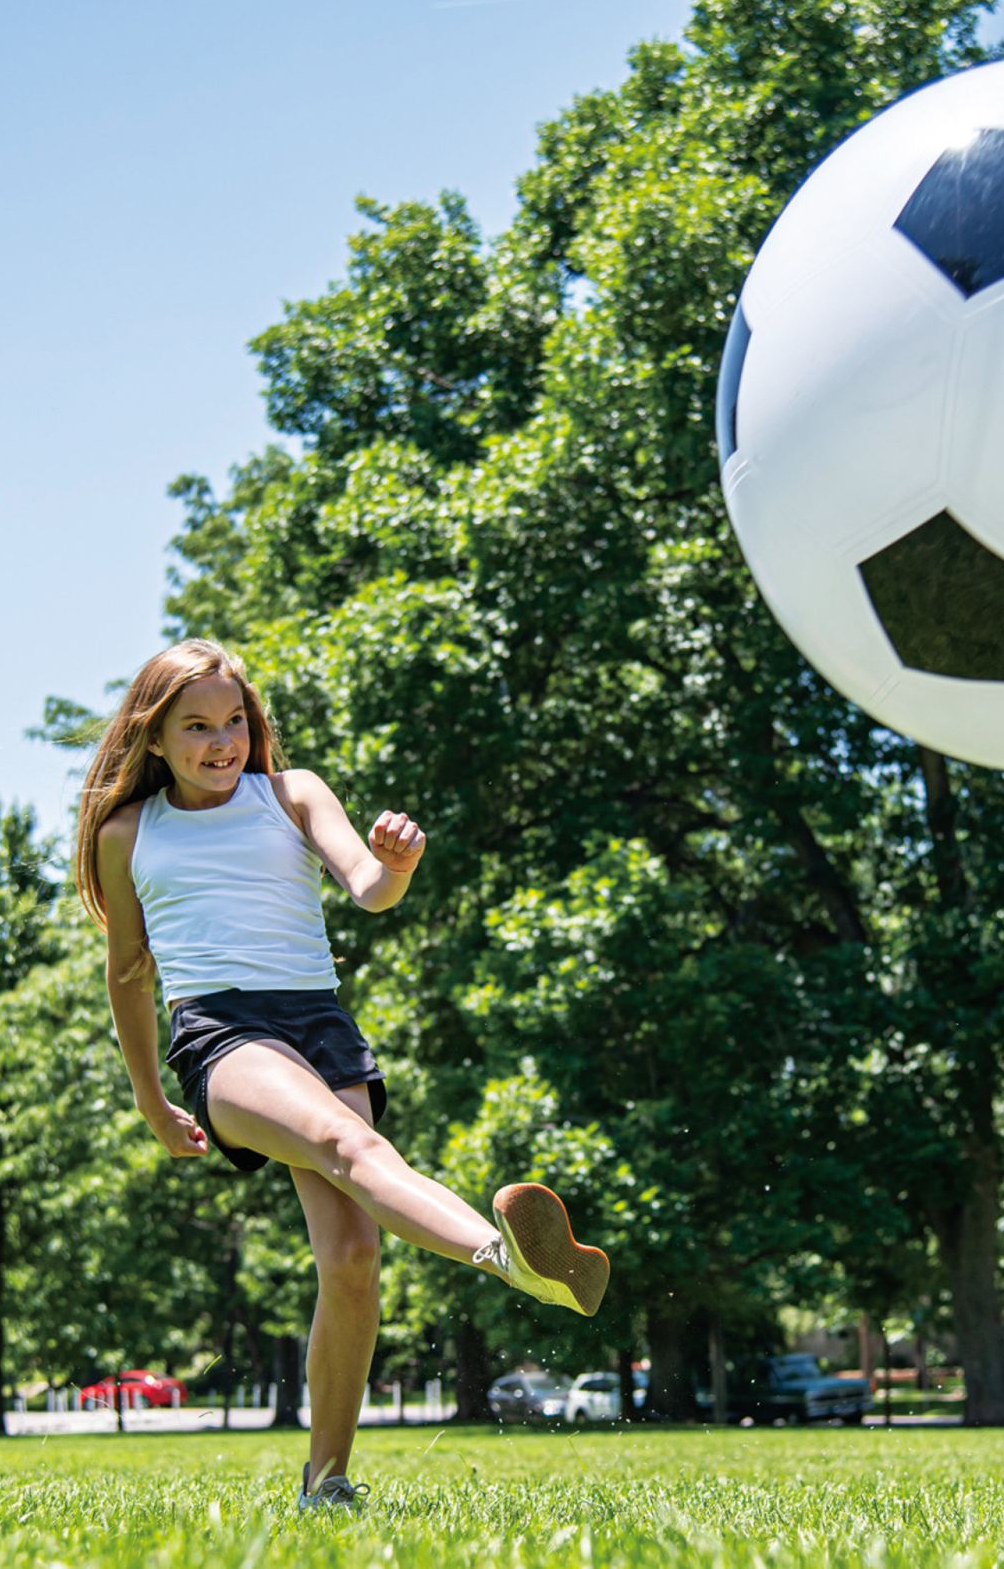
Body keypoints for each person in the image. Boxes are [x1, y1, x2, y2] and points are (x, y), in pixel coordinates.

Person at [73, 637, 608, 1510]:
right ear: (155, 736)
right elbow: (129, 972)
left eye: (234, 722)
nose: (221, 742)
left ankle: (326, 1483)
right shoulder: (128, 832)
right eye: (197, 726)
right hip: (221, 1030)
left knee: (354, 1254)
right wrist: (151, 1099)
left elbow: (366, 886)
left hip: (319, 1021)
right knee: (344, 1141)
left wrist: (393, 866)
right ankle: (506, 1259)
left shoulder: (293, 793)